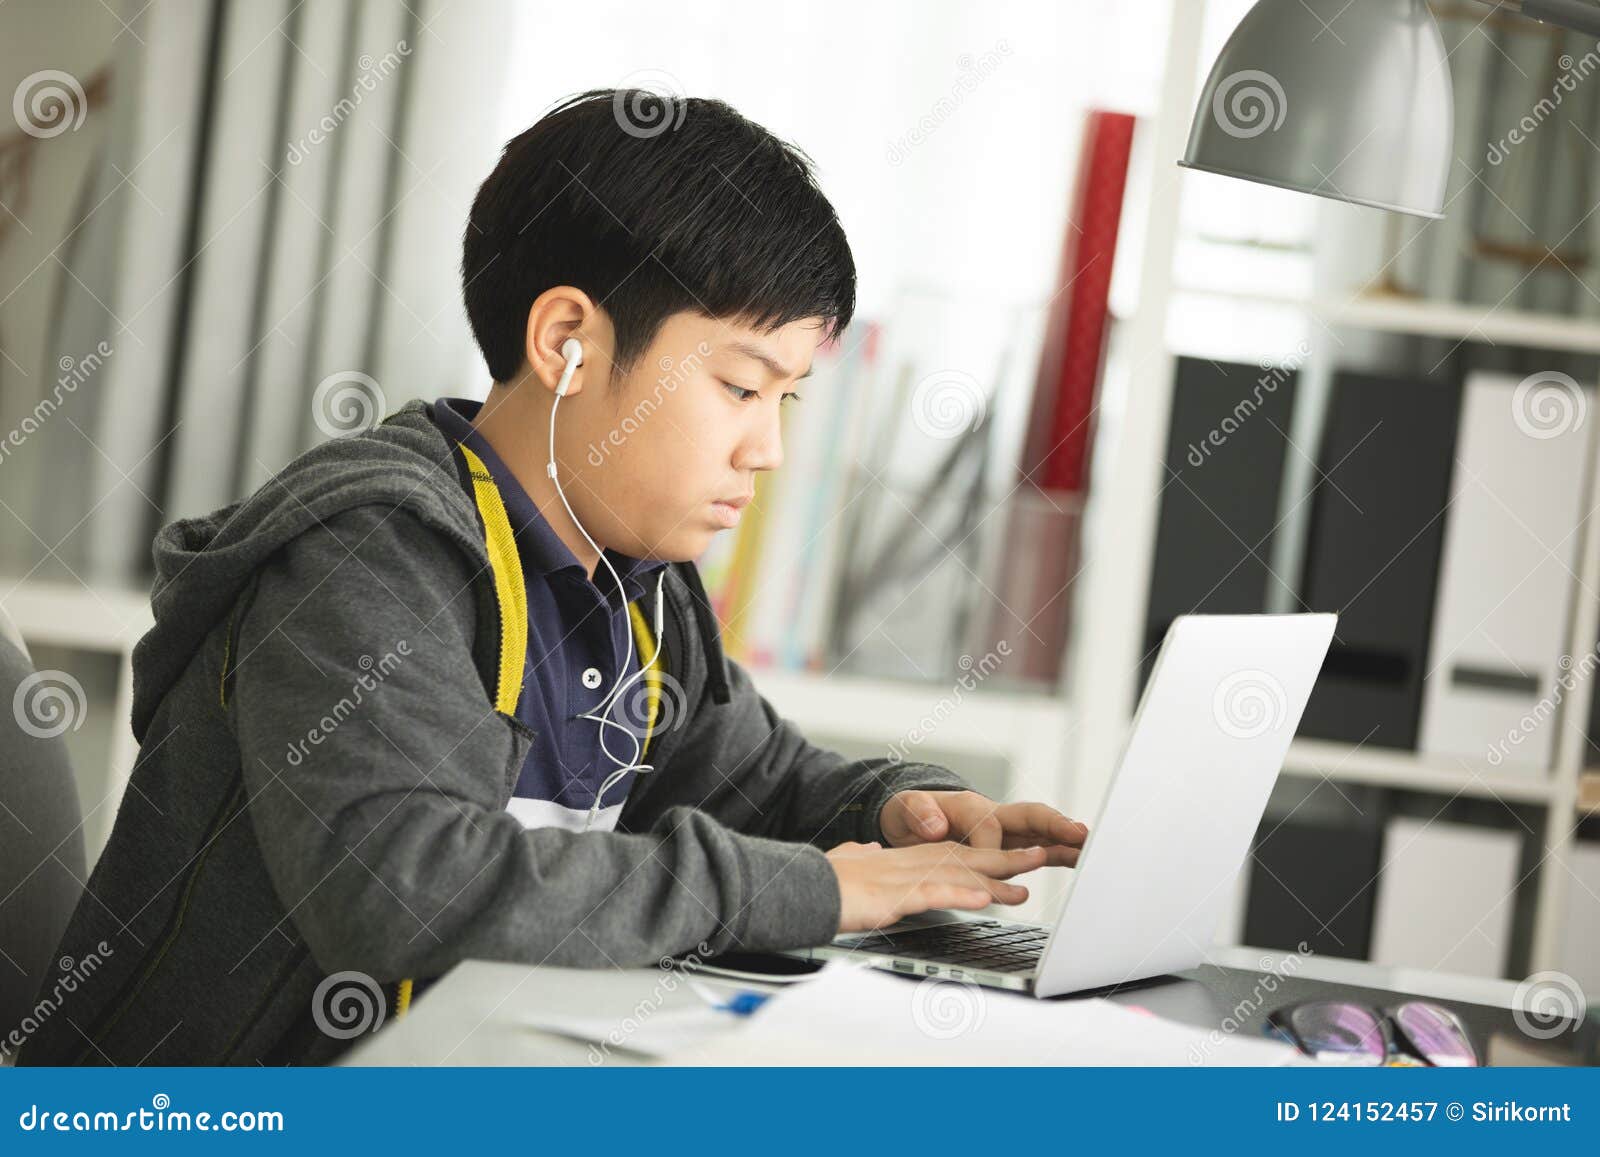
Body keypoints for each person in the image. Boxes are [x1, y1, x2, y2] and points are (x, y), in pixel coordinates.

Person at [17, 89, 1086, 1066]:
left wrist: (898, 810)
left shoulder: (636, 580)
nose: (765, 450)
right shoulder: (368, 554)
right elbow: (405, 886)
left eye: (786, 400)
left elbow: (751, 780)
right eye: (738, 387)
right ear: (568, 339)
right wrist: (812, 888)